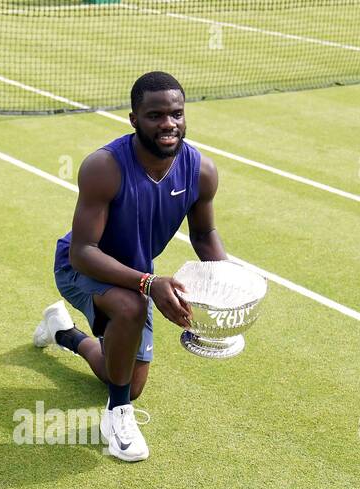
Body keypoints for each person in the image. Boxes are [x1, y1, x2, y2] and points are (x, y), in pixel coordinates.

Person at [34, 71, 228, 462]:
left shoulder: (201, 171)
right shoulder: (103, 167)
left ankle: (63, 333)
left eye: (176, 113)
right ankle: (117, 417)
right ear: (134, 119)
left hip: (137, 272)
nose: (168, 124)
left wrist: (228, 286)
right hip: (81, 268)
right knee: (132, 307)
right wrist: (149, 281)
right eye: (155, 115)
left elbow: (204, 234)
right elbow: (83, 251)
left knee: (123, 377)